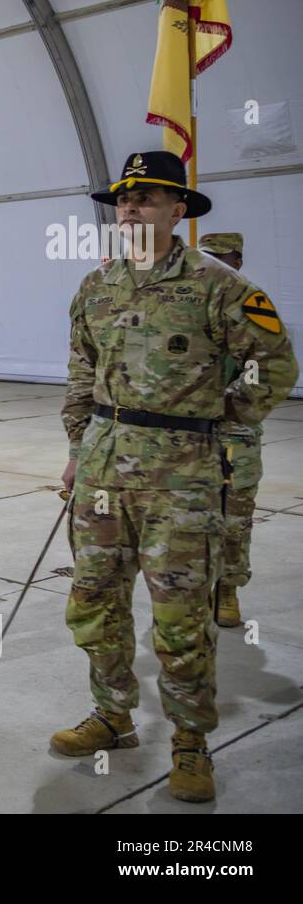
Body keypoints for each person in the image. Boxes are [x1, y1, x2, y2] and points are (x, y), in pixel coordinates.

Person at [55, 151, 298, 803]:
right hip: (103, 475)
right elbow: (80, 376)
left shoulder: (218, 285)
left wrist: (219, 416)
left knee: (181, 618)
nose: (130, 207)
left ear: (178, 209)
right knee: (94, 601)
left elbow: (273, 364)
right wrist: (79, 446)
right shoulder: (96, 285)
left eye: (148, 197)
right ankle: (112, 715)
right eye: (124, 198)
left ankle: (190, 740)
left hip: (179, 479)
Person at [197, 233, 259, 629]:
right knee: (189, 517)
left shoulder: (252, 307)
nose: (217, 265)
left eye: (224, 258)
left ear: (237, 259)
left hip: (235, 432)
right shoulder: (186, 306)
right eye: (210, 258)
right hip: (188, 434)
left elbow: (267, 370)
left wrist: (233, 406)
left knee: (234, 516)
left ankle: (229, 589)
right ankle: (195, 591)